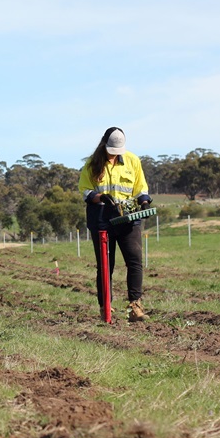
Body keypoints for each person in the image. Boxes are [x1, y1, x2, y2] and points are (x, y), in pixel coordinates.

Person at [78, 127, 153, 323]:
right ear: (104, 145)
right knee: (105, 266)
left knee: (135, 261)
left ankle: (135, 307)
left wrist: (144, 201)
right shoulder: (92, 164)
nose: (114, 154)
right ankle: (106, 308)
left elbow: (140, 187)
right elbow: (85, 190)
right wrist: (100, 197)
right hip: (102, 220)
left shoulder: (132, 160)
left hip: (128, 220)